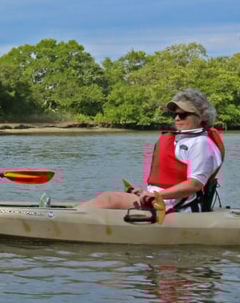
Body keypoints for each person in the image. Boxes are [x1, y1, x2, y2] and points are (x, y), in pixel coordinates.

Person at [77, 89, 224, 212]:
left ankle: (66, 219)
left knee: (109, 199)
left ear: (201, 117)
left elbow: (194, 185)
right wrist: (147, 192)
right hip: (163, 200)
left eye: (183, 114)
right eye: (175, 114)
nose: (177, 118)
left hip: (177, 206)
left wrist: (156, 195)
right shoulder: (183, 139)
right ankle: (73, 214)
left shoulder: (201, 143)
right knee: (108, 198)